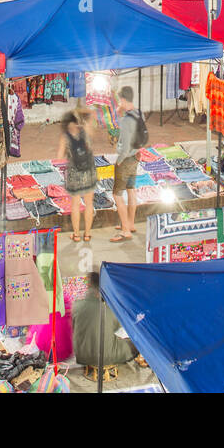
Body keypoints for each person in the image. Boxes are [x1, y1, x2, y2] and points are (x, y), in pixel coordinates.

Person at [72, 273, 136, 373]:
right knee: (135, 344)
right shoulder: (108, 309)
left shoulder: (76, 305)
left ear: (88, 286)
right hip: (105, 357)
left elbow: (73, 328)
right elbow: (120, 327)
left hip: (81, 355)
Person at [111, 86, 146, 243]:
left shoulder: (126, 120)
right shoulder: (139, 113)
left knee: (117, 194)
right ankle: (130, 224)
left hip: (126, 159)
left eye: (120, 100)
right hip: (136, 156)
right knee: (131, 190)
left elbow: (124, 147)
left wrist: (118, 161)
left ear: (123, 100)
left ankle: (125, 230)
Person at [57, 107, 97, 243]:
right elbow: (91, 113)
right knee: (89, 204)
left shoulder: (65, 137)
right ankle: (87, 234)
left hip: (74, 174)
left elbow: (59, 157)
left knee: (75, 205)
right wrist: (80, 112)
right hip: (89, 172)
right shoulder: (86, 131)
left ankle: (76, 235)